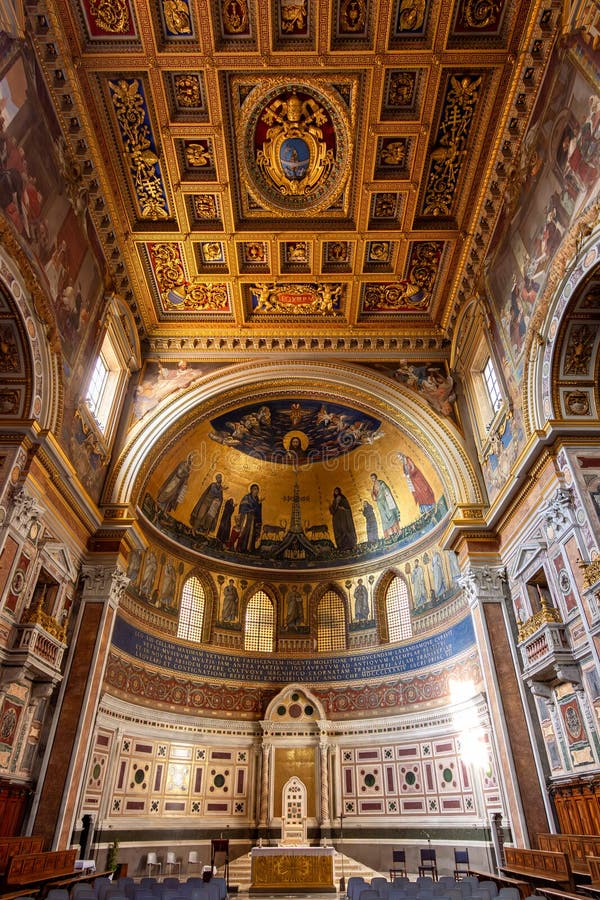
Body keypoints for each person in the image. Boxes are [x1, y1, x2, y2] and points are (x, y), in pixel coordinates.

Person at [370, 473, 400, 537]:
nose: (373, 479)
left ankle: (396, 530)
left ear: (376, 477)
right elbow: (374, 498)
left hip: (385, 500)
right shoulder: (373, 487)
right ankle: (389, 533)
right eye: (372, 478)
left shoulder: (381, 483)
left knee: (390, 513)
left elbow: (386, 489)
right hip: (380, 502)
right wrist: (372, 494)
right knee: (384, 517)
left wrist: (386, 494)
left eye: (373, 477)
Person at [329, 486, 357, 551]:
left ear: (339, 492)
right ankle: (342, 546)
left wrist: (343, 508)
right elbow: (333, 511)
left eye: (337, 491)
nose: (336, 492)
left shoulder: (343, 499)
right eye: (335, 491)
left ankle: (351, 545)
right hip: (337, 518)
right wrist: (330, 506)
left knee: (345, 529)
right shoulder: (334, 501)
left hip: (344, 517)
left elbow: (348, 508)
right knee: (340, 530)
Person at [237, 483, 262, 553]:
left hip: (254, 520)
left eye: (257, 490)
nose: (256, 491)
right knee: (245, 532)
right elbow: (243, 507)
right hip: (246, 518)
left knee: (252, 534)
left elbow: (259, 512)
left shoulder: (257, 500)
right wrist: (252, 509)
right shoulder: (247, 497)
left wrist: (258, 504)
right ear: (251, 490)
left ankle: (249, 549)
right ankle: (241, 548)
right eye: (255, 489)